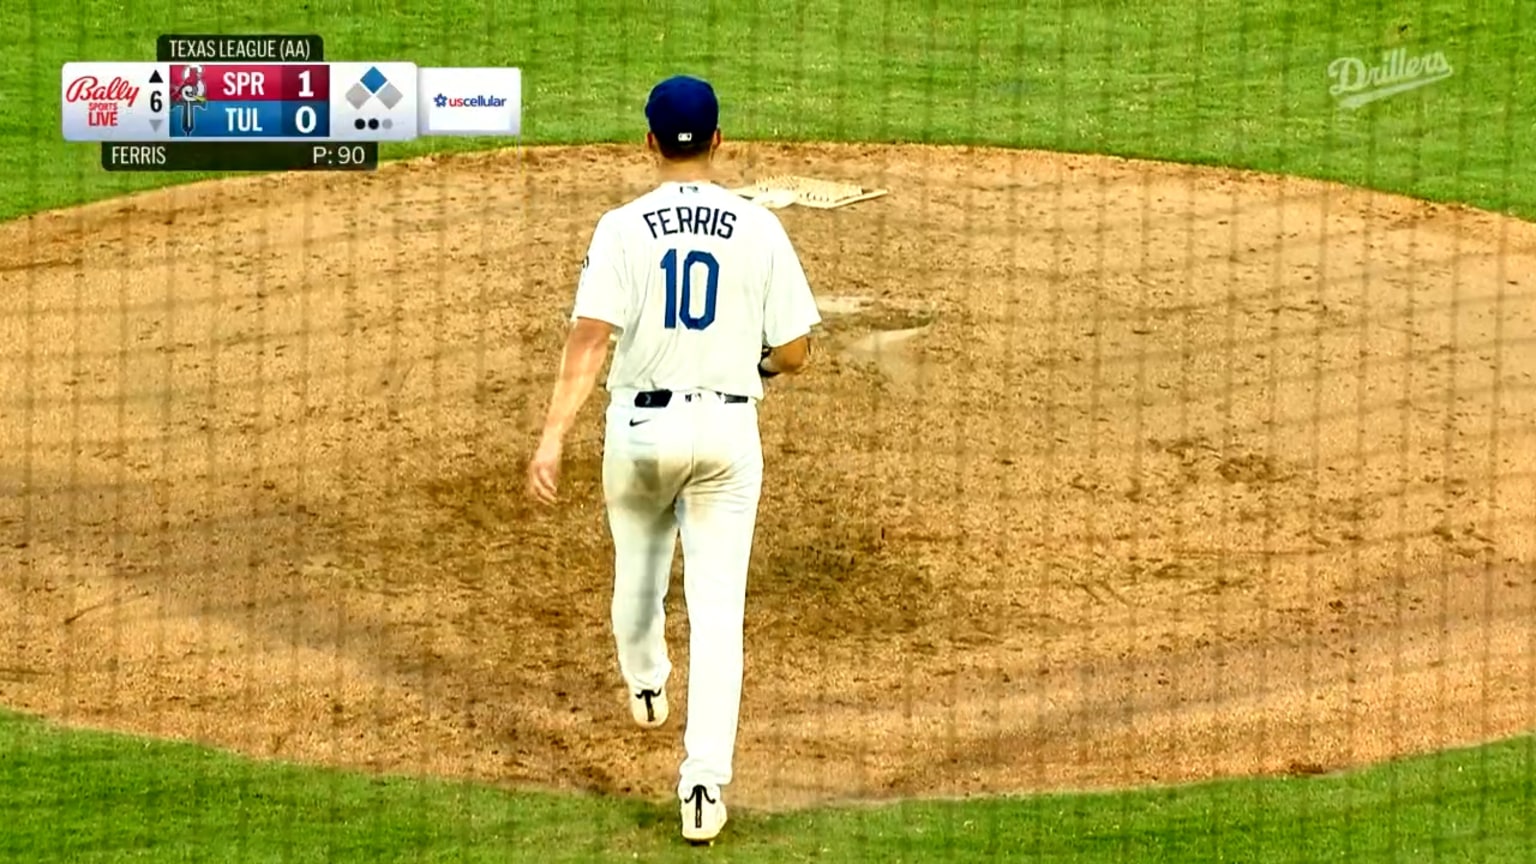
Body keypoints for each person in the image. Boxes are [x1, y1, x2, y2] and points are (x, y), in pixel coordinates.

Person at [526, 74, 821, 844]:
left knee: (638, 579)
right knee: (719, 615)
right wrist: (754, 366)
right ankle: (702, 786)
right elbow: (795, 351)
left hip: (639, 433)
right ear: (719, 141)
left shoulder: (621, 227)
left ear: (650, 142)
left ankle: (647, 678)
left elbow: (590, 340)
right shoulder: (759, 228)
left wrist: (553, 436)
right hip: (727, 437)